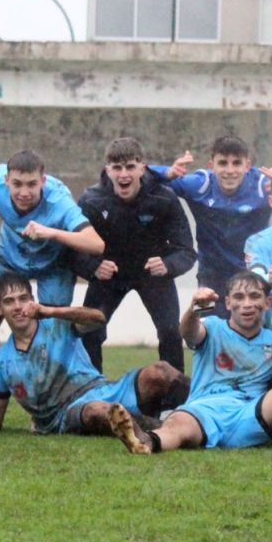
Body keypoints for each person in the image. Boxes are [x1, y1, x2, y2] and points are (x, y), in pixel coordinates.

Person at [0, 149, 104, 415]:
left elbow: (96, 244)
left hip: (53, 266)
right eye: (17, 184)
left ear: (43, 180)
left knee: (53, 333)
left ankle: (51, 403)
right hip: (9, 257)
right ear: (7, 181)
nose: (24, 192)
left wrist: (50, 232)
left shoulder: (60, 202)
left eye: (31, 184)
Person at [107, 271, 272, 454]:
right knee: (179, 423)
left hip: (250, 415)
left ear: (267, 302)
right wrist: (196, 307)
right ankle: (147, 440)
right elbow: (188, 332)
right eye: (239, 297)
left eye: (255, 296)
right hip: (205, 410)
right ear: (227, 303)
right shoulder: (213, 327)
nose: (247, 304)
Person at [0, 273, 187, 435]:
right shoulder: (1, 361)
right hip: (66, 414)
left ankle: (210, 400)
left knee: (160, 371)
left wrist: (51, 310)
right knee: (98, 411)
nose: (18, 307)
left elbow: (98, 318)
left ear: (33, 301)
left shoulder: (57, 325)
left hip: (104, 389)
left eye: (23, 299)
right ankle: (168, 430)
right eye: (9, 302)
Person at [74, 137, 195, 372]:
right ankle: (90, 392)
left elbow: (186, 250)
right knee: (89, 328)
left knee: (171, 332)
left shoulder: (164, 198)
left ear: (142, 168)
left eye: (130, 167)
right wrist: (93, 267)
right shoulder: (91, 200)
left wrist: (168, 265)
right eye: (117, 168)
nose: (123, 175)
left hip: (153, 274)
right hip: (109, 275)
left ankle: (173, 398)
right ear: (107, 169)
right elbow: (73, 250)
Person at [147, 136, 272, 318]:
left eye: (237, 163)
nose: (230, 170)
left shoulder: (263, 186)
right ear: (211, 165)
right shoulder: (199, 185)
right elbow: (142, 174)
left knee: (250, 332)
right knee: (202, 329)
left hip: (253, 272)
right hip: (210, 275)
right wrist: (168, 172)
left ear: (248, 165)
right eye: (223, 163)